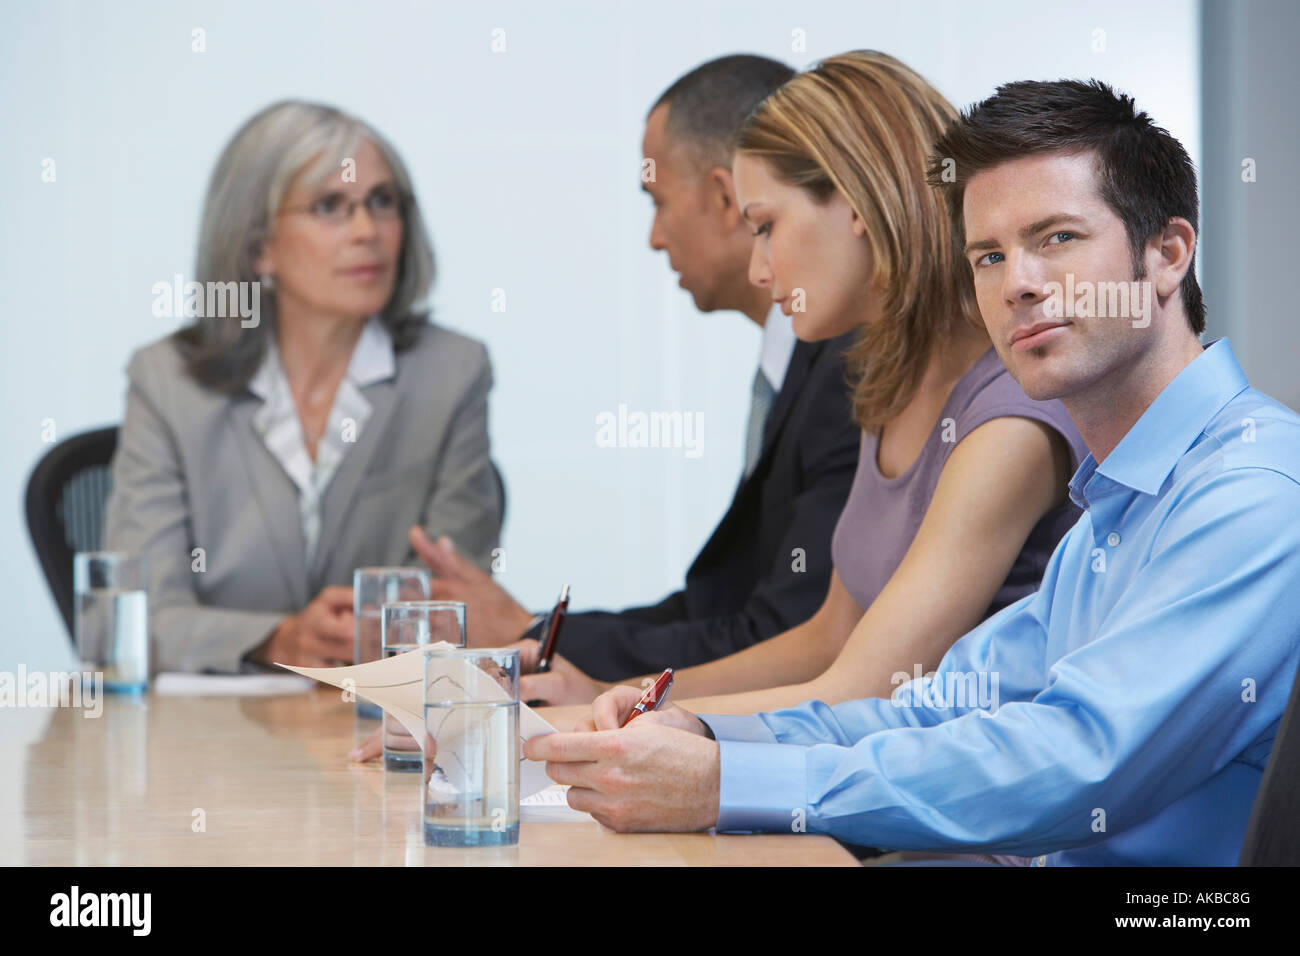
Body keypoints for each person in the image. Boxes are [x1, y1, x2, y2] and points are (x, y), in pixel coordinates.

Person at [528, 78, 1300, 866]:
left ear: (1167, 254)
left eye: (1058, 238)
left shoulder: (1253, 492)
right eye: (989, 256)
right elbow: (935, 706)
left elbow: (1077, 760)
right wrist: (703, 732)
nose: (1018, 284)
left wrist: (728, 781)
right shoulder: (1117, 501)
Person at [518, 50, 1085, 717]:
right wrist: (615, 695)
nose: (760, 269)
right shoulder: (888, 376)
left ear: (852, 202)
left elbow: (866, 686)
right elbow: (830, 639)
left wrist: (615, 720)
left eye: (766, 227)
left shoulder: (1008, 422)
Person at [393, 56, 860, 677]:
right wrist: (539, 635)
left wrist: (546, 647)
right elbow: (717, 607)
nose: (654, 238)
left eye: (657, 202)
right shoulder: (804, 362)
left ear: (726, 200)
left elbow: (784, 635)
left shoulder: (848, 373)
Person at [104, 101, 502, 673]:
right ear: (258, 244)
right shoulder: (167, 382)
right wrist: (277, 641)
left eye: (382, 202)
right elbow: (136, 621)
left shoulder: (453, 371)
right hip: (212, 743)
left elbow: (460, 607)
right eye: (330, 207)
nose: (368, 232)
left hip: (378, 727)